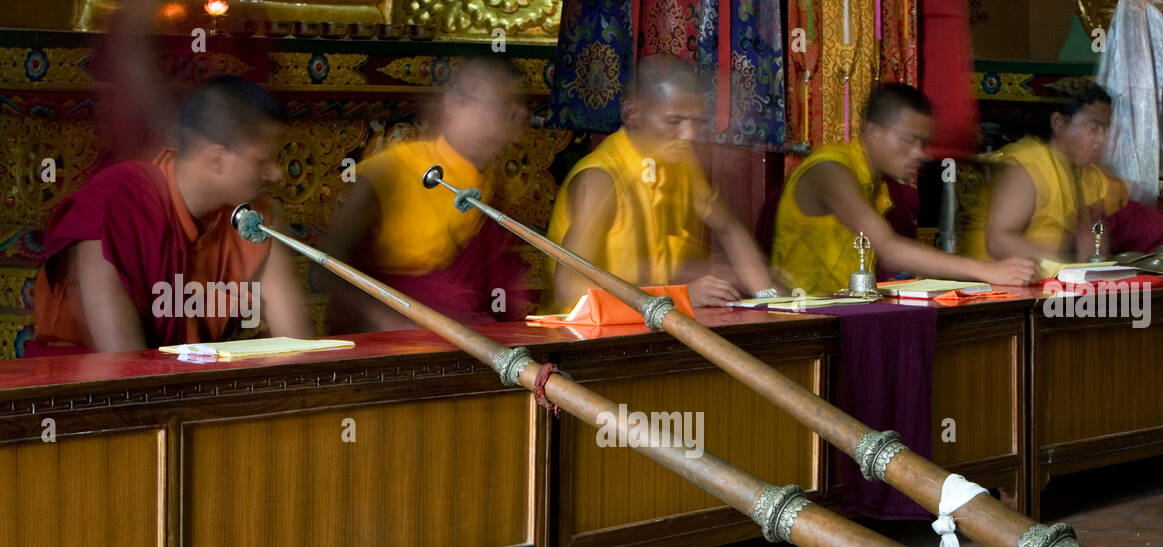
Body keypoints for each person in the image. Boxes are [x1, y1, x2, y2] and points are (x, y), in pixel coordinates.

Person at [31, 74, 310, 353]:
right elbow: (122, 366)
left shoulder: (256, 219)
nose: (276, 174)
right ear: (216, 158)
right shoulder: (117, 204)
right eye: (262, 160)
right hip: (84, 387)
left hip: (190, 385)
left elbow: (299, 350)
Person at [546, 56, 779, 312]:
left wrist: (769, 299)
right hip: (584, 337)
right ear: (633, 114)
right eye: (674, 121)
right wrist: (679, 296)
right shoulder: (601, 179)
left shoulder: (678, 161)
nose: (689, 135)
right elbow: (569, 292)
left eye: (697, 122)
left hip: (654, 324)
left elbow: (728, 228)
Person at [321, 56, 534, 330]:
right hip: (387, 339)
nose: (488, 119)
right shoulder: (392, 170)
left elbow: (497, 294)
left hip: (469, 339)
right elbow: (329, 267)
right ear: (450, 104)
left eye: (501, 111)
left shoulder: (494, 188)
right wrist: (393, 324)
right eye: (476, 102)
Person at [772, 83, 1036, 296]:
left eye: (923, 143)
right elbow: (889, 247)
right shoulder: (830, 170)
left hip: (847, 310)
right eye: (909, 141)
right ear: (874, 132)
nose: (919, 154)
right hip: (803, 317)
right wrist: (989, 271)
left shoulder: (877, 181)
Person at [963, 84, 1163, 263]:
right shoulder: (1026, 166)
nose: (1101, 138)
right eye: (1093, 127)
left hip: (1060, 289)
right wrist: (1069, 257)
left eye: (1106, 129)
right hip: (998, 289)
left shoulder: (1092, 177)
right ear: (1059, 122)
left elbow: (1142, 226)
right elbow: (999, 241)